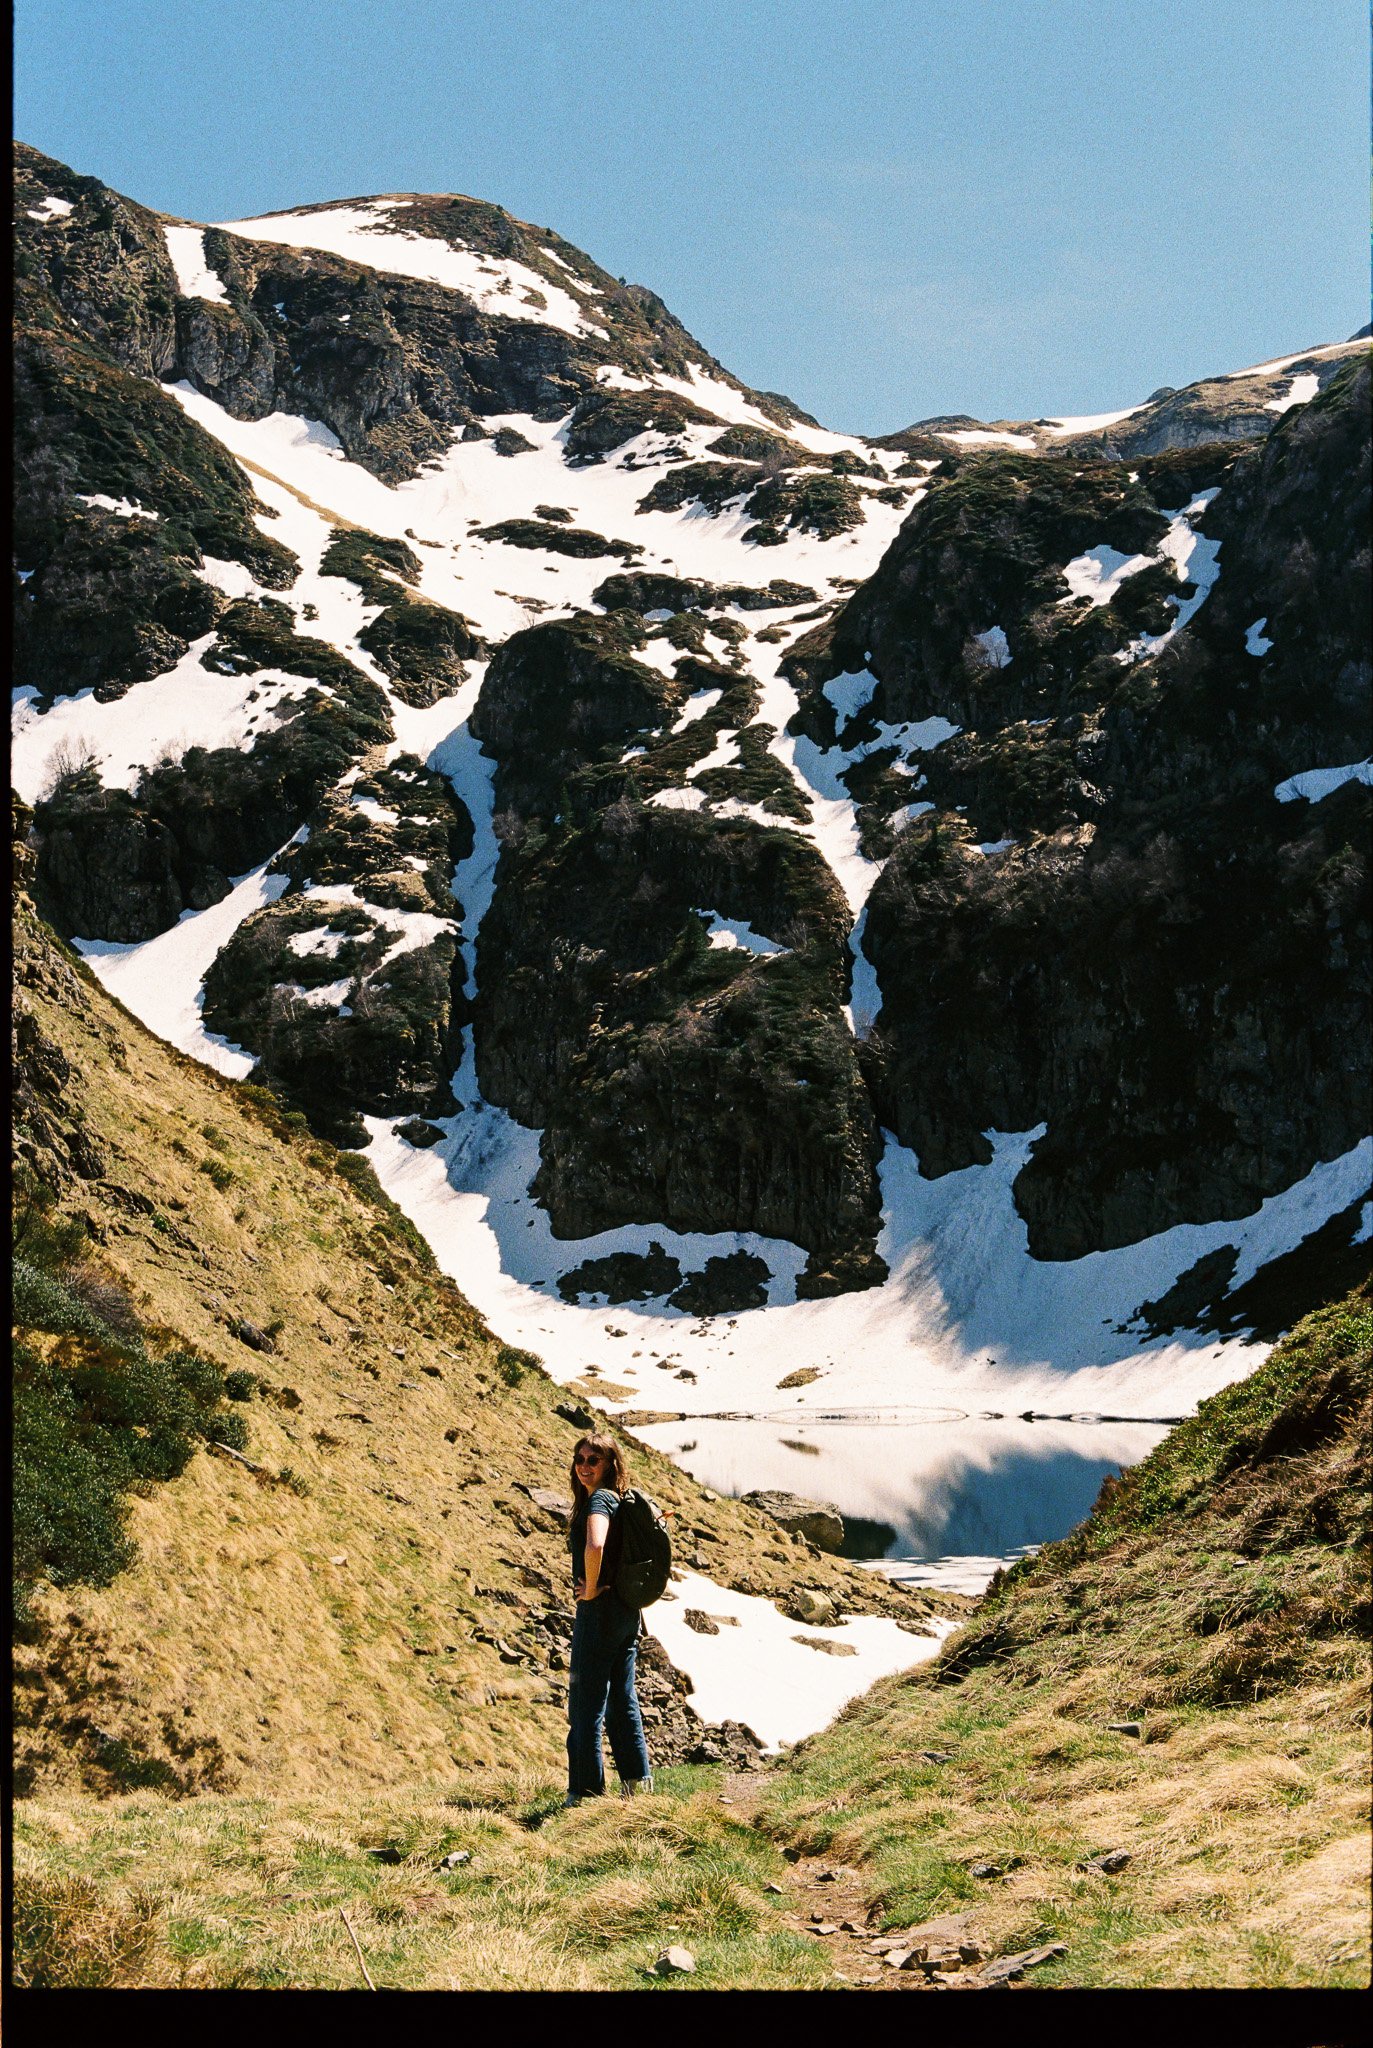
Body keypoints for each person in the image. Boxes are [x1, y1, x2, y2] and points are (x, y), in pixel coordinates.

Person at [565, 1430, 653, 1804]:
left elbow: (595, 1543)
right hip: (626, 1613)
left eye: (593, 1460)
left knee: (586, 1703)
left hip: (599, 1614)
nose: (584, 1466)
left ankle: (584, 1795)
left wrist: (592, 1587)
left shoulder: (600, 1500)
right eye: (580, 1459)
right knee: (622, 1700)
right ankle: (638, 1787)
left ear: (609, 1465)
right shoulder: (619, 1499)